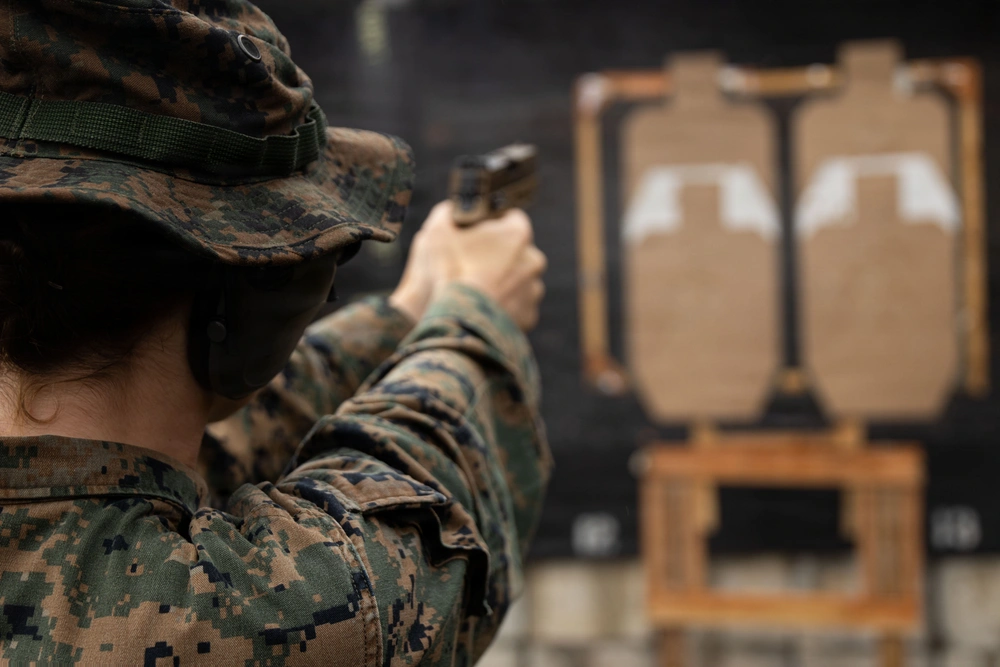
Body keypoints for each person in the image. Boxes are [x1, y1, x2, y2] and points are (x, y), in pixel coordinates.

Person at [0, 1, 549, 664]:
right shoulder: (265, 618)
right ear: (255, 305)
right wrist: (475, 312)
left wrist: (407, 310)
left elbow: (221, 447)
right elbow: (415, 540)